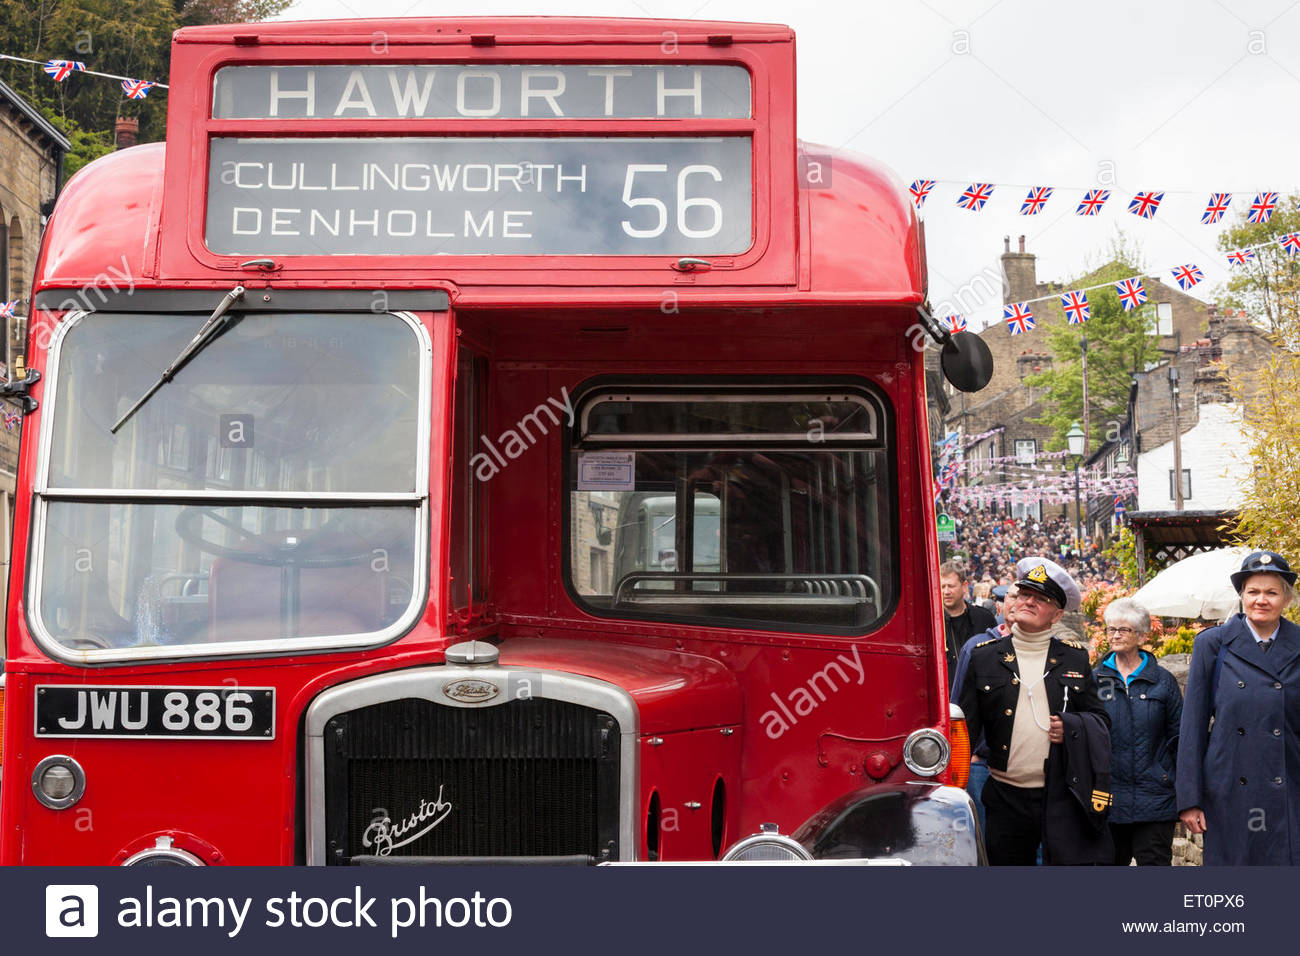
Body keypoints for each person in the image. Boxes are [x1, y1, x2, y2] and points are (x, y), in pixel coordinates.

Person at [957, 557, 1109, 865]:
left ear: (1057, 614)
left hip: (1061, 796)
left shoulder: (1074, 660)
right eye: (1025, 594)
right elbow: (963, 729)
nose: (1028, 601)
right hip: (1003, 796)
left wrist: (1071, 726)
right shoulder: (982, 657)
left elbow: (1101, 722)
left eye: (1041, 599)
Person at [1177, 550, 1300, 865]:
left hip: (1289, 787)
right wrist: (1189, 800)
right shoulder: (1213, 644)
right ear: (1241, 596)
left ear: (1286, 599)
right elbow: (1193, 726)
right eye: (1253, 591)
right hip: (1230, 786)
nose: (1261, 599)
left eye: (1271, 592)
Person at [1093, 598, 1182, 865]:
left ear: (1142, 635)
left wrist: (1179, 785)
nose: (1116, 635)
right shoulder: (1095, 679)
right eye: (1111, 629)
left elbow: (1179, 737)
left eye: (1124, 629)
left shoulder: (1163, 681)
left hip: (1154, 798)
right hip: (1107, 799)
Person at [939, 561, 996, 691]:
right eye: (942, 587)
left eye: (951, 586)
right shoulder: (931, 623)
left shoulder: (984, 619)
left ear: (965, 586)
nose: (946, 591)